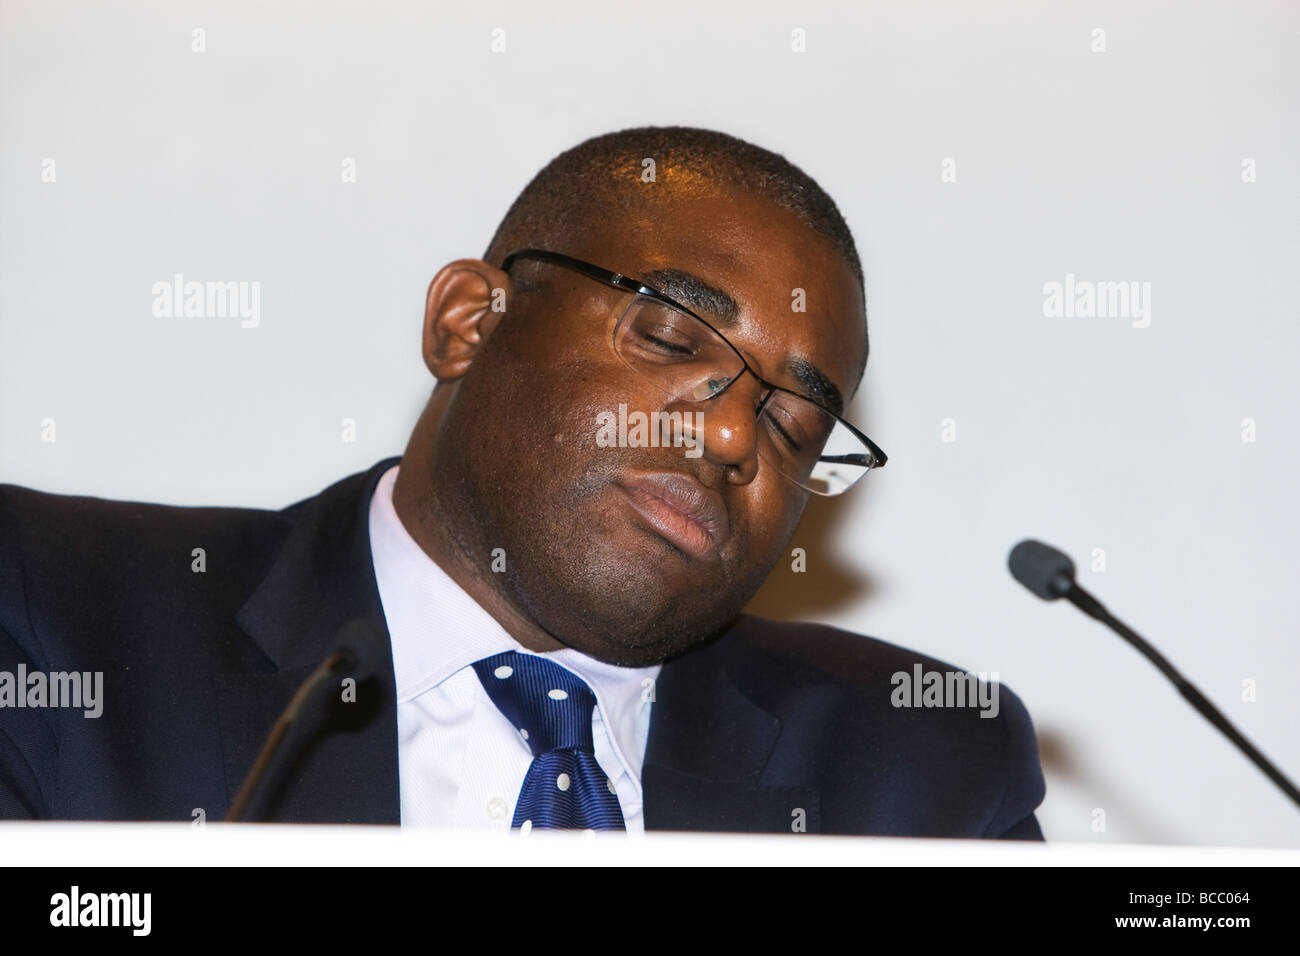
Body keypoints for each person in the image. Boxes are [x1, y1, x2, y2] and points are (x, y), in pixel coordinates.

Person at [0, 125, 1046, 837]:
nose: (732, 431)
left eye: (794, 421)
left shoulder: (922, 770)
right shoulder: (63, 614)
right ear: (468, 320)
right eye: (674, 336)